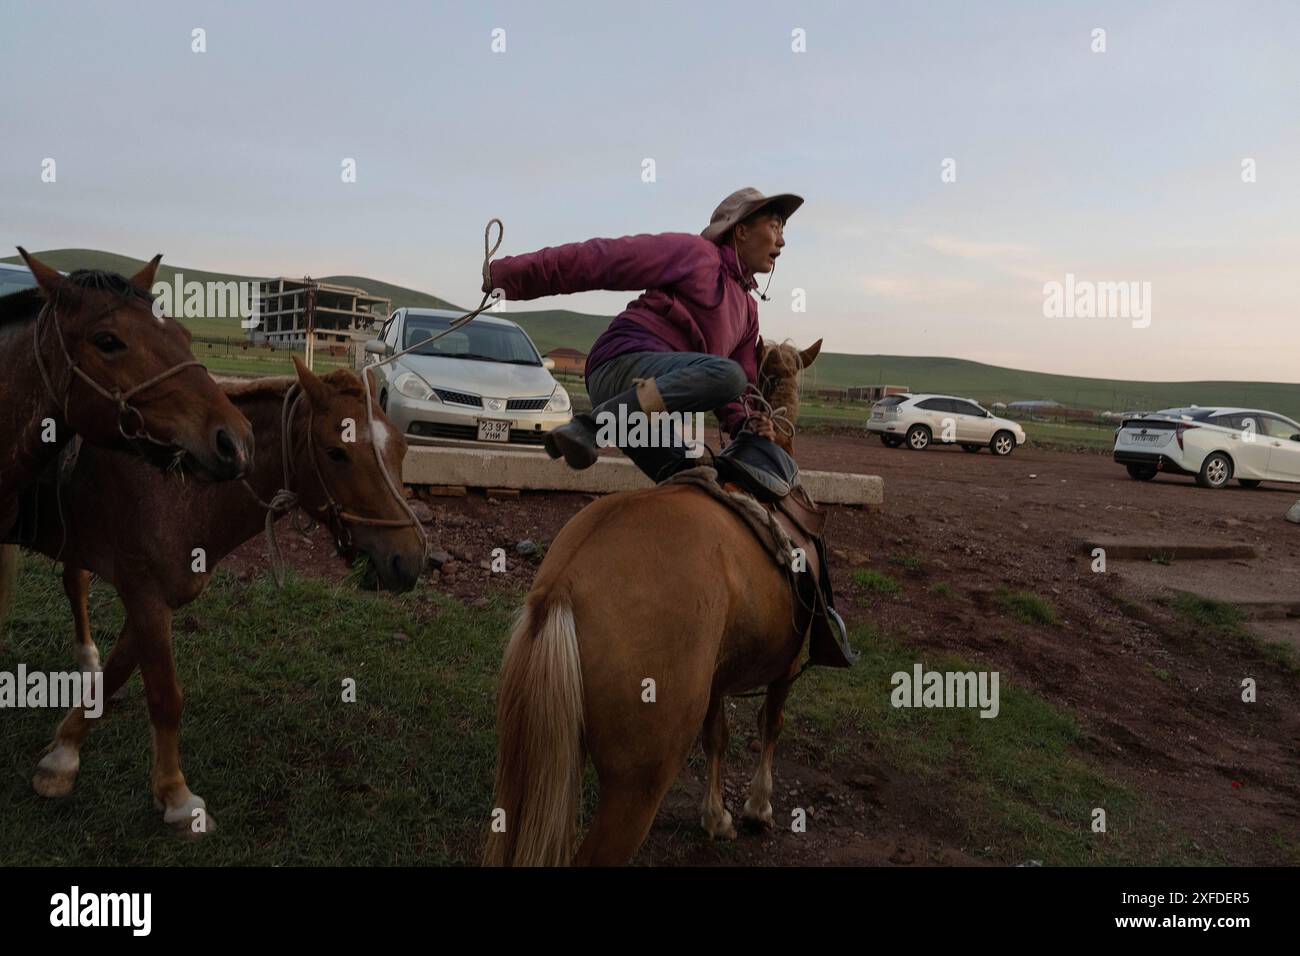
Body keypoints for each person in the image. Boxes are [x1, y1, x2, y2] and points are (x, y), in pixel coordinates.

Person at [483, 187, 854, 667]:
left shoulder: (748, 311)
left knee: (702, 485)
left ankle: (654, 617)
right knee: (728, 374)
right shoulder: (692, 254)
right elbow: (600, 260)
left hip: (650, 412)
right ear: (741, 230)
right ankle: (593, 427)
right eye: (775, 226)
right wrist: (507, 277)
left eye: (785, 230)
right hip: (621, 368)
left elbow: (735, 400)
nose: (782, 240)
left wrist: (751, 424)